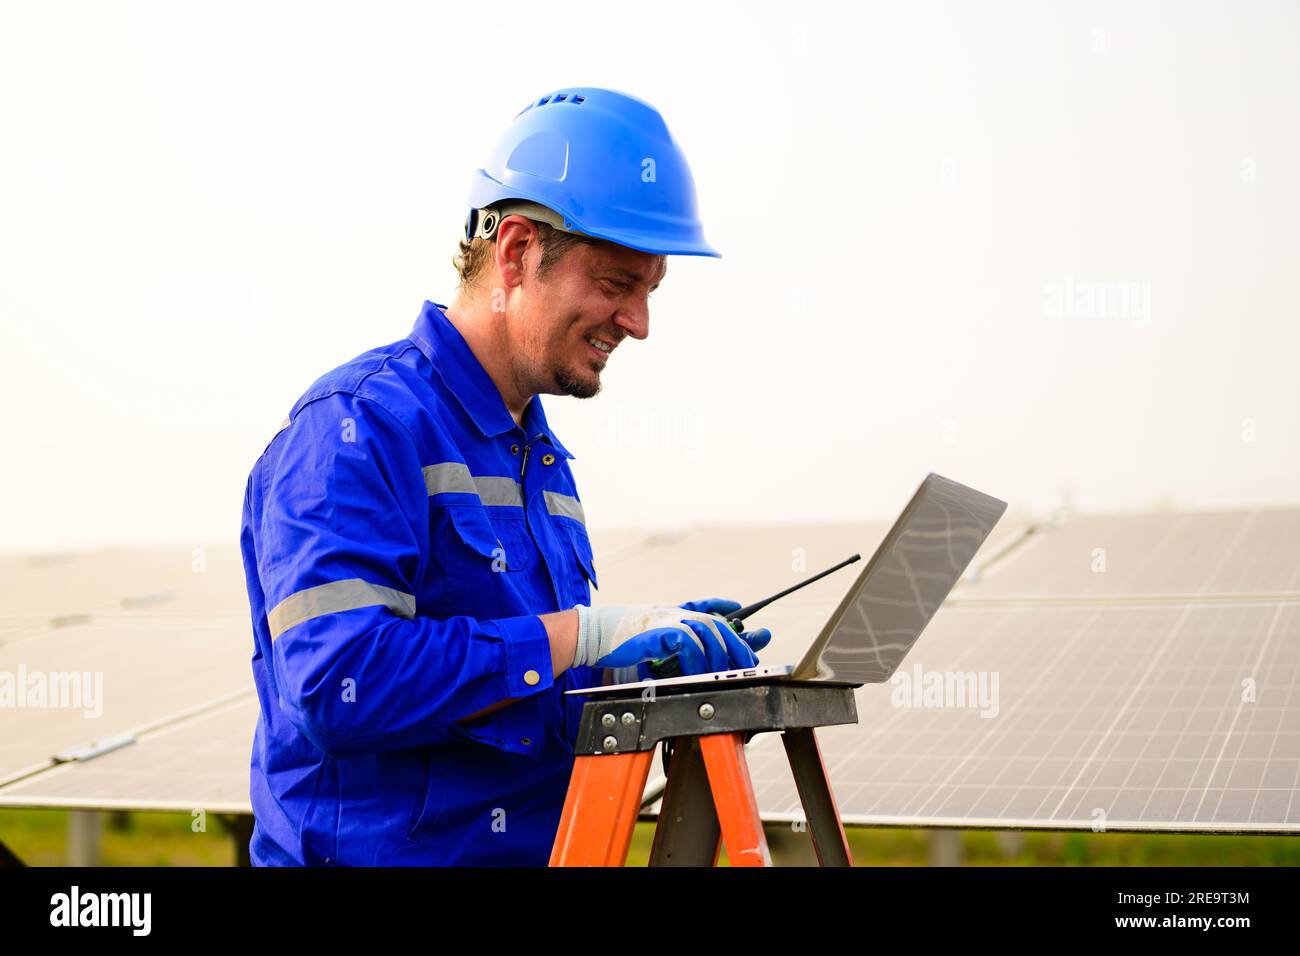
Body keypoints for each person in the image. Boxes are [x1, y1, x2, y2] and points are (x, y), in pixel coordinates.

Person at [238, 87, 772, 865]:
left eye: (650, 292)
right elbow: (339, 683)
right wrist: (584, 633)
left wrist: (638, 661)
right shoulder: (357, 429)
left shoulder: (539, 459)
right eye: (617, 284)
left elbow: (516, 701)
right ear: (516, 250)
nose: (639, 323)